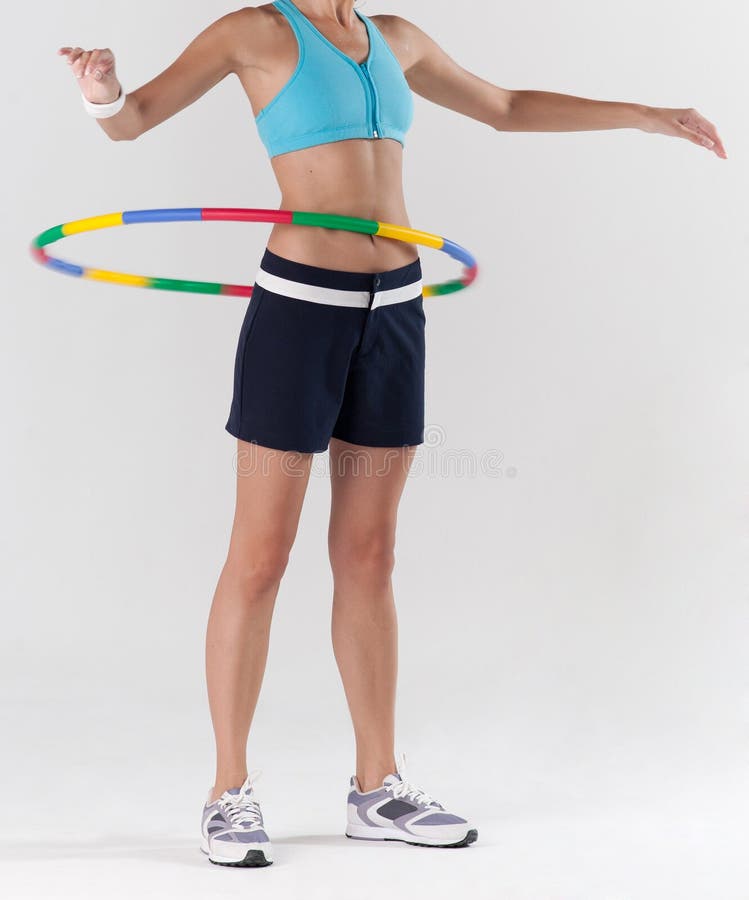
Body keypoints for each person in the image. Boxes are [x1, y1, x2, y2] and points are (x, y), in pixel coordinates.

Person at [59, 0, 726, 869]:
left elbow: (505, 106)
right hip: (300, 309)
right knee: (260, 557)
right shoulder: (254, 31)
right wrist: (103, 93)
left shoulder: (395, 37)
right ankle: (228, 792)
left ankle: (377, 788)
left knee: (369, 555)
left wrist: (644, 115)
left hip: (397, 310)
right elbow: (133, 121)